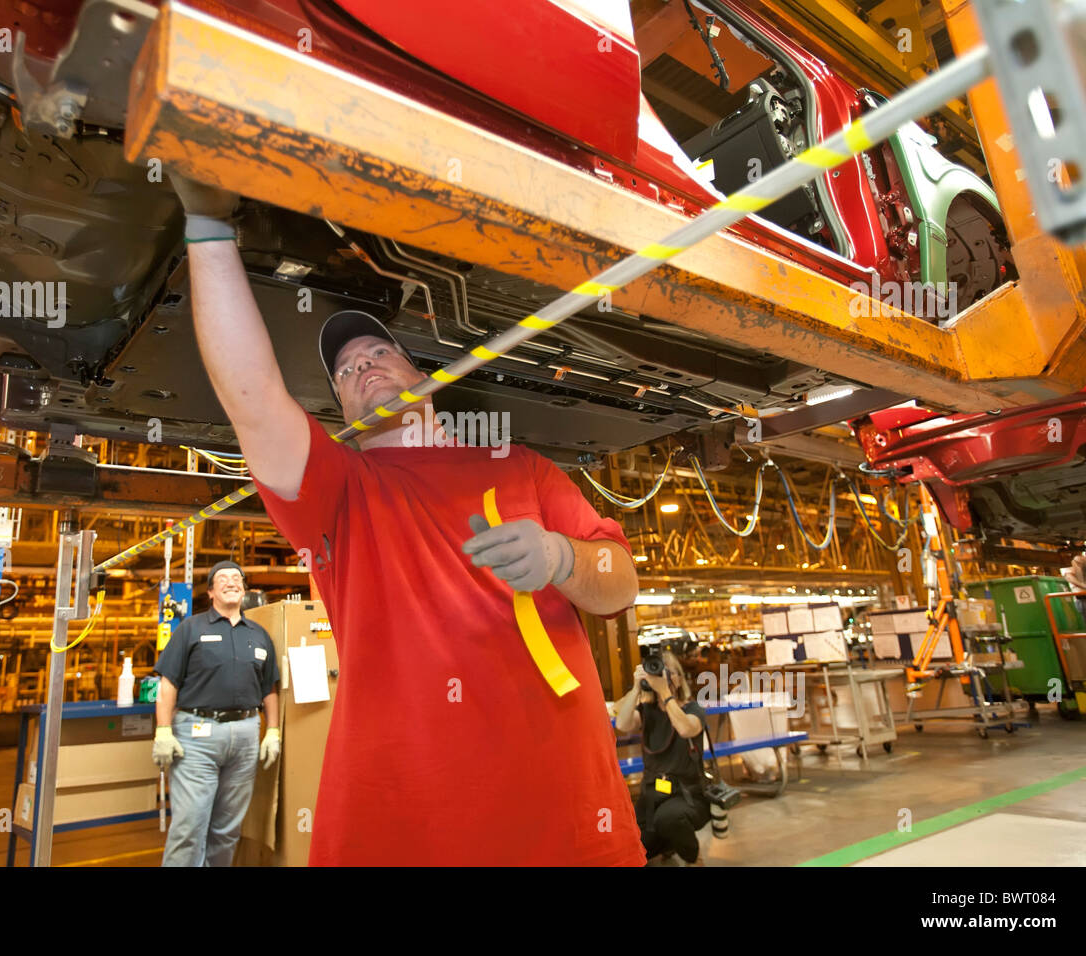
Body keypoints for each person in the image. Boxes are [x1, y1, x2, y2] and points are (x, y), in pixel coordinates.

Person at [170, 172, 644, 865]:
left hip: (566, 818)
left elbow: (621, 582)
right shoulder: (341, 490)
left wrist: (563, 558)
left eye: (378, 353)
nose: (361, 367)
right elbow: (255, 400)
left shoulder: (520, 467)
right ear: (341, 412)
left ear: (422, 376)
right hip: (404, 825)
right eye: (345, 372)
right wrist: (208, 223)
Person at [152, 560, 281, 866]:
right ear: (210, 591)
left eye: (237, 578)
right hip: (197, 736)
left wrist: (273, 731)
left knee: (227, 828)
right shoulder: (191, 628)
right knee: (190, 826)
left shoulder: (259, 635)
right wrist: (163, 730)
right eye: (222, 578)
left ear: (244, 589)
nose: (231, 582)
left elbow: (269, 689)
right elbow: (168, 681)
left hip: (246, 735)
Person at [614, 640, 710, 865]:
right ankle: (667, 844)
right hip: (652, 794)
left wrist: (666, 695)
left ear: (678, 678)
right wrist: (637, 688)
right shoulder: (647, 711)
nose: (662, 677)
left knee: (669, 818)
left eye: (669, 673)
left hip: (687, 794)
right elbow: (623, 723)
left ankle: (693, 857)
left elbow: (686, 728)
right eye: (657, 672)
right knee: (632, 842)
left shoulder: (692, 708)